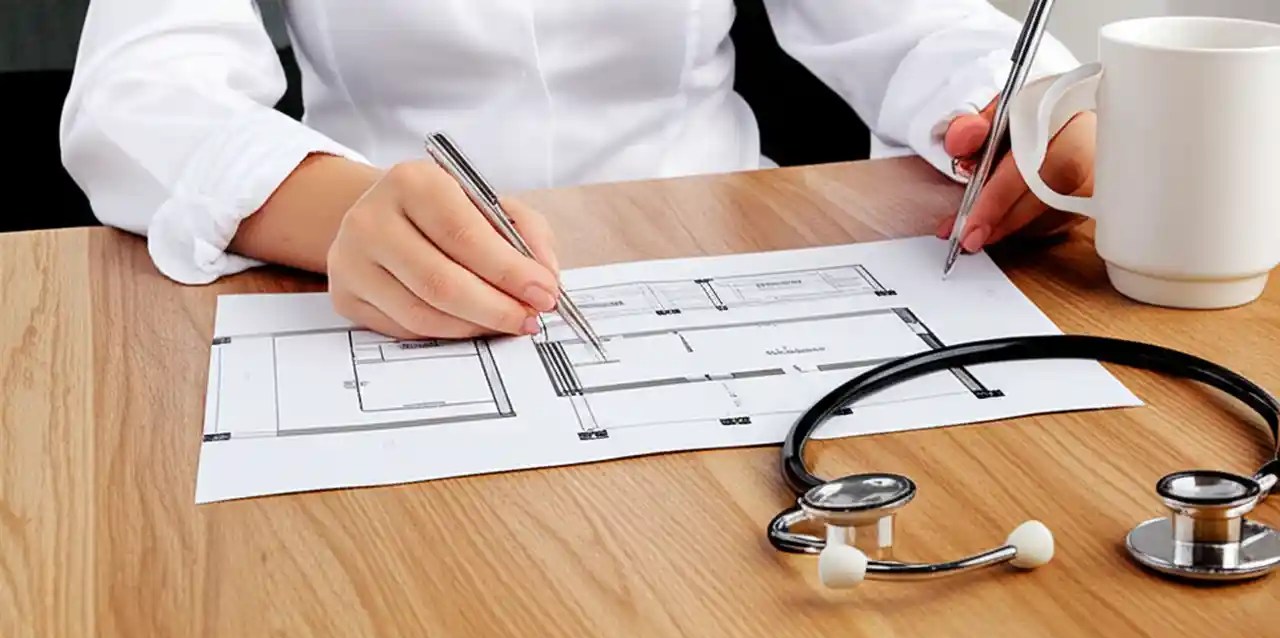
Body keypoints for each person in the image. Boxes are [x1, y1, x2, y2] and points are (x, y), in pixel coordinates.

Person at [60, 1, 1093, 340]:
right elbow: (139, 83)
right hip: (369, 271)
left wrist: (1038, 109)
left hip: (720, 263)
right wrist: (330, 208)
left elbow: (917, 23)